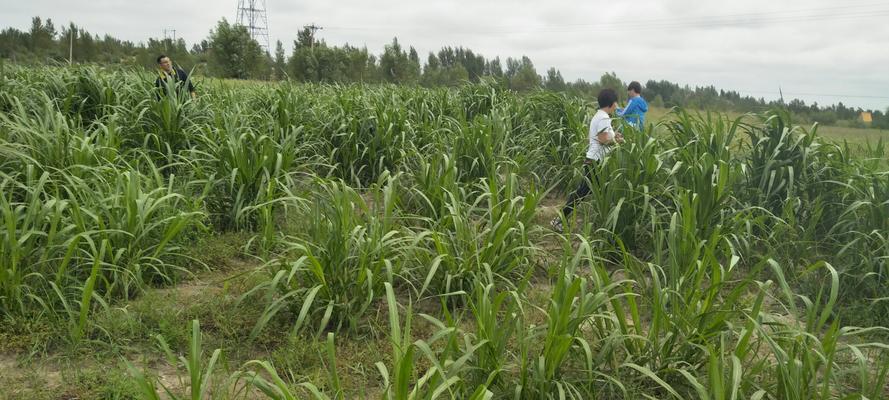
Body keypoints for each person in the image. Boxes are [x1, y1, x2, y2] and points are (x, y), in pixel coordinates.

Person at [551, 88, 624, 233]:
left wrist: (613, 134)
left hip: (595, 160)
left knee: (598, 192)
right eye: (616, 102)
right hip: (596, 162)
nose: (617, 105)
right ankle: (558, 220)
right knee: (583, 192)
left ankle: (603, 223)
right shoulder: (604, 117)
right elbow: (603, 140)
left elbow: (601, 136)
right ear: (611, 103)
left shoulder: (599, 115)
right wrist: (617, 140)